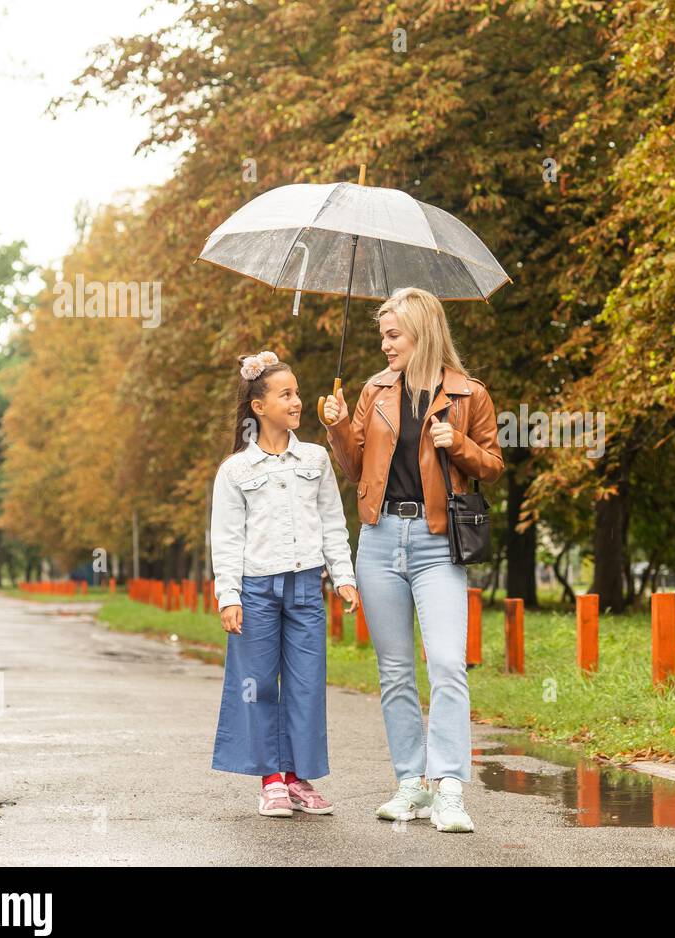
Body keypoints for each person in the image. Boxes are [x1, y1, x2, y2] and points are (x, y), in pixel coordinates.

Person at [323, 287, 503, 833]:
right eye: (381, 335)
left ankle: (449, 787)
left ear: (422, 332)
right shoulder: (373, 391)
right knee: (395, 671)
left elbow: (493, 463)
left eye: (393, 335)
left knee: (447, 662)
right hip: (379, 539)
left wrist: (460, 446)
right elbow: (356, 469)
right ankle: (411, 783)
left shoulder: (469, 394)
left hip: (435, 539)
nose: (385, 345)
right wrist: (335, 426)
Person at [209, 349, 361, 818]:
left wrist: (344, 577)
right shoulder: (236, 470)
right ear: (259, 406)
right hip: (255, 590)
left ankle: (298, 777)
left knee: (306, 684)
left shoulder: (314, 459)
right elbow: (227, 539)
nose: (297, 402)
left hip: (304, 588)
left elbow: (333, 523)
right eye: (287, 394)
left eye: (296, 393)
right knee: (257, 684)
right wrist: (228, 597)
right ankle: (271, 779)